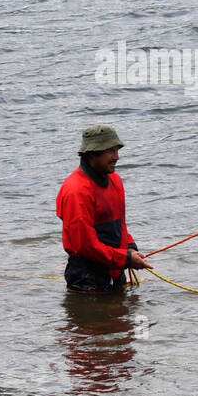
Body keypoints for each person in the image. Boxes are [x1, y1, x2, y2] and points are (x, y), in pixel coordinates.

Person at [56, 124, 152, 293]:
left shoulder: (115, 180)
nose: (117, 157)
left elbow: (120, 224)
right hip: (87, 277)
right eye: (111, 151)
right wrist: (127, 259)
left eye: (117, 150)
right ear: (93, 154)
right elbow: (85, 245)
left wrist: (130, 247)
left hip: (115, 269)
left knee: (121, 318)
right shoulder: (76, 191)